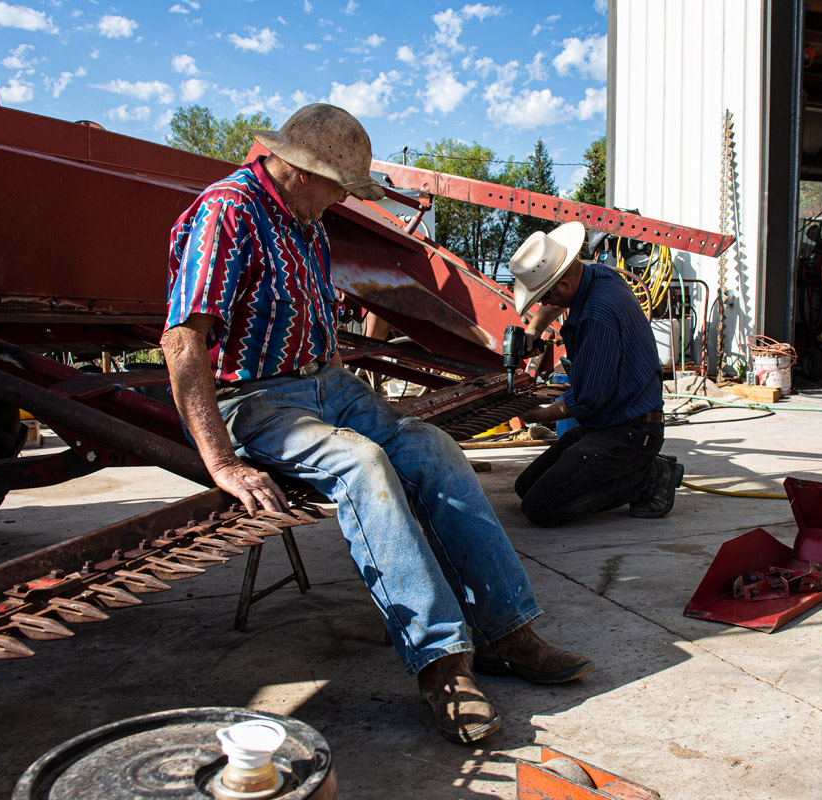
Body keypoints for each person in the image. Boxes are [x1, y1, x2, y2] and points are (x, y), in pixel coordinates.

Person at [160, 103, 592, 745]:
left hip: (323, 382)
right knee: (362, 464)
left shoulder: (307, 220)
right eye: (339, 186)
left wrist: (341, 387)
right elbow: (182, 340)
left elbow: (318, 325)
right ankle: (442, 663)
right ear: (302, 169)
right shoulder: (228, 210)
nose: (342, 200)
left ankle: (506, 631)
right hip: (255, 398)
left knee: (433, 447)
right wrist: (222, 462)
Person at [507, 222, 684, 527]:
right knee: (525, 488)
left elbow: (589, 398)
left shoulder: (596, 316)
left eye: (544, 297)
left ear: (562, 285)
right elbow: (560, 296)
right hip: (610, 422)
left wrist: (541, 414)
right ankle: (634, 470)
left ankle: (649, 477)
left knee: (541, 509)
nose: (544, 304)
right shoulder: (598, 274)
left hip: (631, 432)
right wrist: (534, 328)